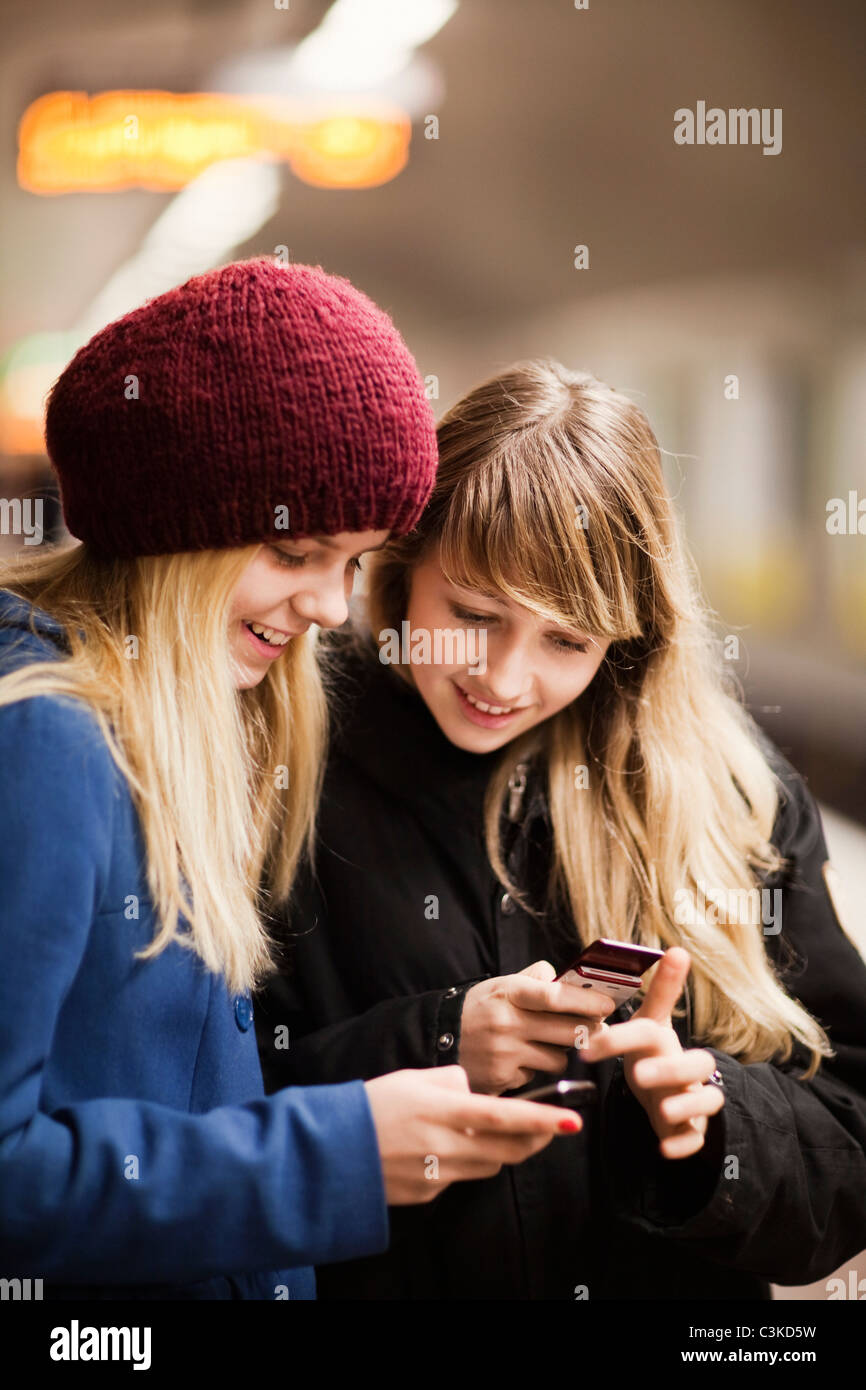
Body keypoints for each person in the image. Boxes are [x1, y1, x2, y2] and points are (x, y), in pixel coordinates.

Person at [0, 268, 578, 1303]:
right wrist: (334, 1154)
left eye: (355, 561)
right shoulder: (45, 743)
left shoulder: (182, 719)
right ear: (168, 529)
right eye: (292, 551)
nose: (326, 604)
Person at [255, 357, 866, 1300]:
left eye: (566, 641)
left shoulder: (735, 802)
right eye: (472, 615)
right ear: (402, 568)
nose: (502, 679)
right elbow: (200, 1106)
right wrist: (435, 1039)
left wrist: (713, 1124)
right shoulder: (279, 770)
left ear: (629, 640)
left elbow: (850, 1136)